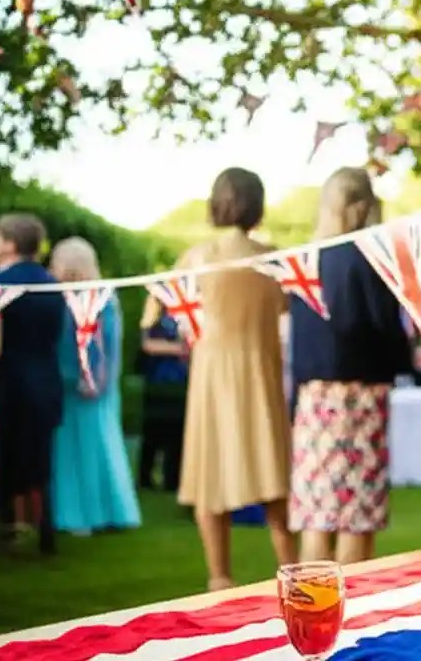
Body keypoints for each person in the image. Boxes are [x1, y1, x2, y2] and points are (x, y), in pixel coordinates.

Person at [178, 168, 295, 590]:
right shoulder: (273, 259)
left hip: (212, 374)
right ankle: (292, 573)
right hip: (260, 372)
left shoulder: (198, 257)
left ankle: (219, 578)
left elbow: (176, 316)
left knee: (210, 476)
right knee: (273, 479)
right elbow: (285, 308)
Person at [289, 168, 412, 564]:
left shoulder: (303, 258)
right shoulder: (370, 258)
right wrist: (403, 362)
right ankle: (352, 606)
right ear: (363, 207)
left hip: (313, 396)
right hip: (360, 395)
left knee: (317, 511)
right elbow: (385, 326)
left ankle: (310, 608)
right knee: (354, 513)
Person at [47, 238, 141, 535]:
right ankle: (98, 511)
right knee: (83, 448)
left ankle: (86, 516)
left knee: (89, 448)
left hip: (88, 383)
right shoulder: (66, 295)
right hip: (70, 380)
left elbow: (107, 343)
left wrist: (97, 378)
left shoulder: (100, 298)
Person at [0, 213, 65, 555]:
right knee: (41, 460)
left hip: (6, 382)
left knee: (1, 454)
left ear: (10, 243)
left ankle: (4, 527)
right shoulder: (55, 286)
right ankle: (46, 528)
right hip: (46, 379)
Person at [136, 298, 190, 492]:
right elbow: (147, 344)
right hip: (158, 382)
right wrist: (177, 349)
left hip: (179, 383)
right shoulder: (152, 320)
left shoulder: (183, 317)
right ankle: (145, 478)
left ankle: (172, 479)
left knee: (176, 434)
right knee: (152, 433)